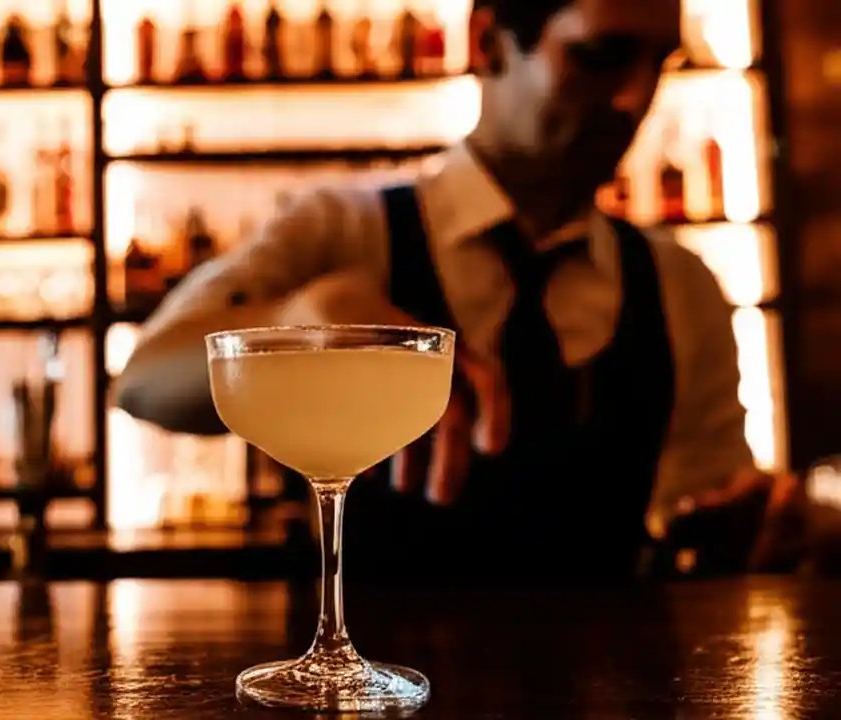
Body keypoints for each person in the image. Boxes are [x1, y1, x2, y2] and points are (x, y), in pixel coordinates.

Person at [115, 0, 800, 580]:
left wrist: (751, 522)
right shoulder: (344, 230)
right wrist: (305, 319)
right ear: (487, 41)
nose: (634, 98)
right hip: (373, 692)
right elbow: (145, 381)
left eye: (659, 65)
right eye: (599, 55)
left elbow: (704, 501)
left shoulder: (680, 284)